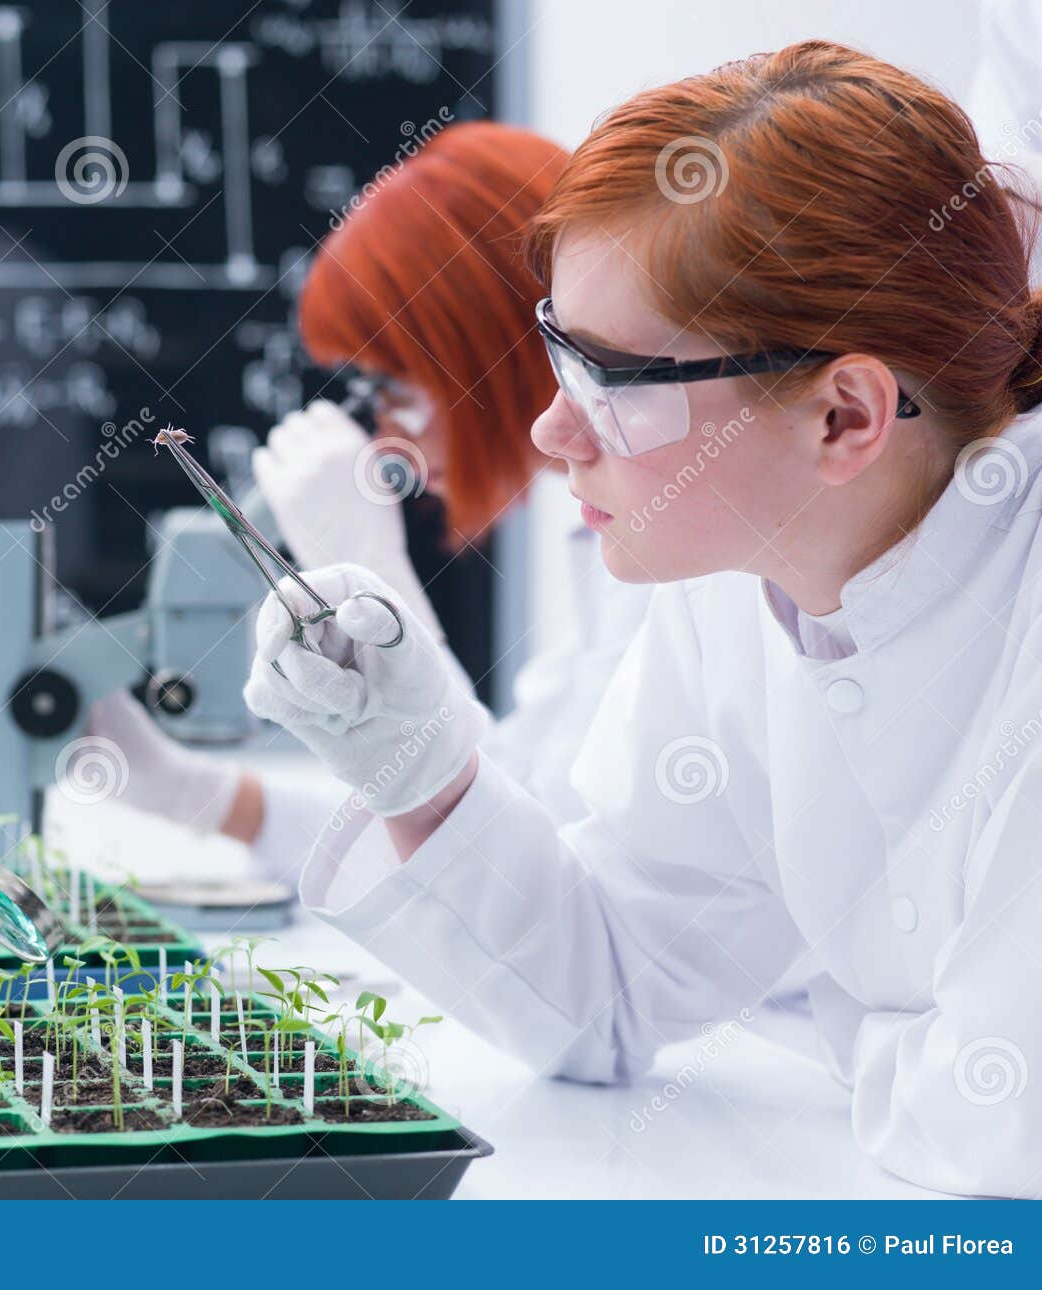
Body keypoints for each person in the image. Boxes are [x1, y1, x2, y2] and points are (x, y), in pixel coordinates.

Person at [243, 41, 1042, 1199]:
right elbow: (609, 995)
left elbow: (1004, 1129)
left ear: (843, 417)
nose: (550, 432)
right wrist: (414, 768)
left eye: (612, 381)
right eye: (558, 355)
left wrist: (838, 1022)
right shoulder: (737, 580)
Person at [88, 121, 654, 872]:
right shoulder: (599, 539)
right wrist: (190, 793)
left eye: (393, 386)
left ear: (488, 348)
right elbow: (508, 797)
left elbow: (517, 865)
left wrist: (372, 582)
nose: (385, 434)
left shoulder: (678, 555)